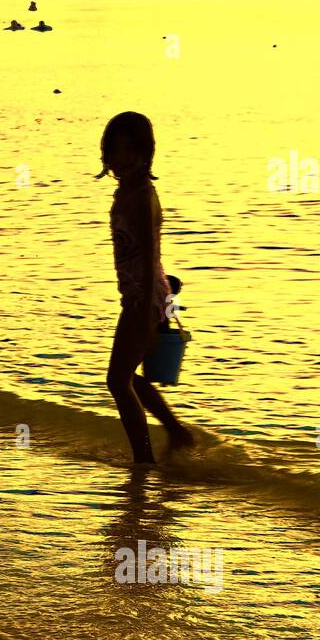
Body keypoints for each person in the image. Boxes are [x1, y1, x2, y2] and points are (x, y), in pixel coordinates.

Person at [97, 112, 193, 464]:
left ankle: (144, 461)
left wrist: (147, 312)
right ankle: (177, 432)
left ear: (144, 154)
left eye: (127, 151)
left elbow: (151, 252)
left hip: (145, 299)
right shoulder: (126, 191)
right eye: (113, 150)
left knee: (117, 381)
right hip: (142, 295)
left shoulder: (141, 196)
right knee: (128, 378)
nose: (119, 159)